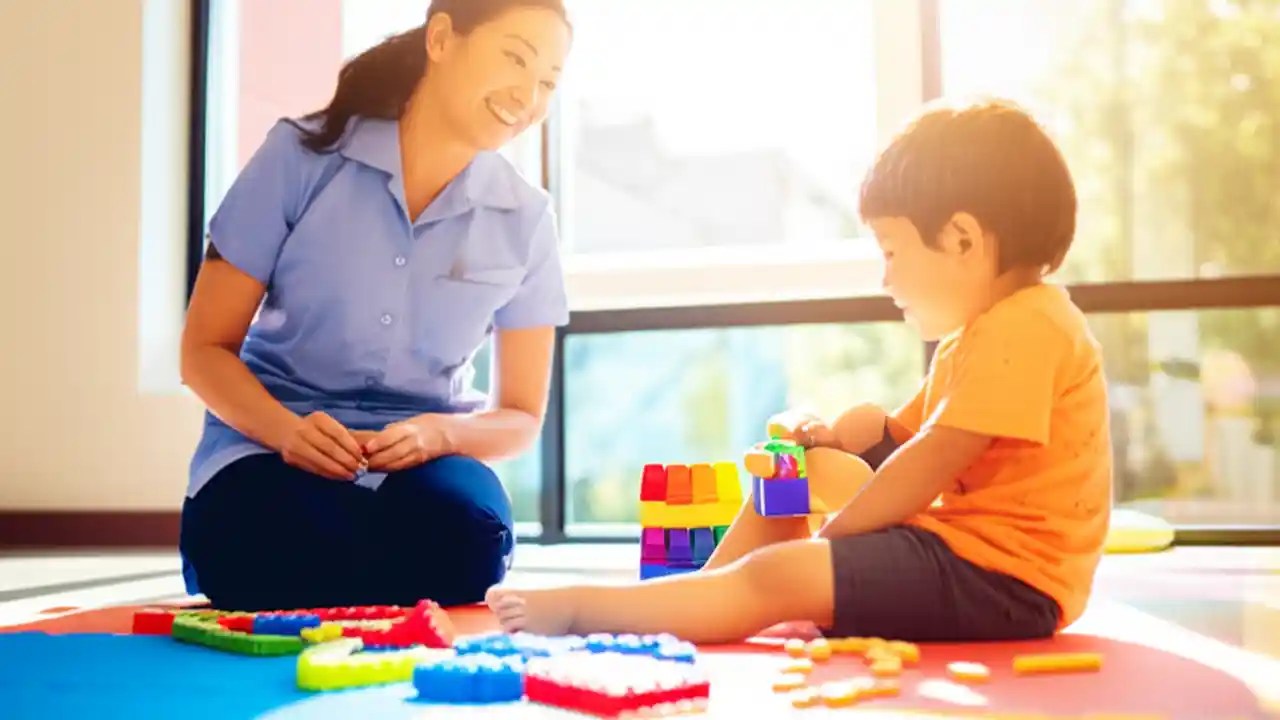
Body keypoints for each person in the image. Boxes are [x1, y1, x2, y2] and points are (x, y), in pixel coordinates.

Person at [487, 98, 1114, 644]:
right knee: (811, 462)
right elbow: (889, 443)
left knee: (785, 573)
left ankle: (587, 610)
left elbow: (926, 468)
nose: (886, 278)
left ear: (962, 239)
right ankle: (700, 600)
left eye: (893, 252)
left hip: (1007, 579)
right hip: (969, 552)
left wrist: (830, 545)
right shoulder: (981, 335)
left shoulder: (1028, 325)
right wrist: (820, 441)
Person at [179, 0, 573, 611]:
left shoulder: (526, 218)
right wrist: (287, 434)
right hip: (270, 446)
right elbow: (204, 350)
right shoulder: (301, 156)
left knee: (469, 543)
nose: (529, 94)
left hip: (425, 459)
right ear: (441, 39)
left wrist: (439, 433)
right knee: (262, 533)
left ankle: (335, 562)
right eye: (515, 58)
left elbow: (521, 415)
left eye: (548, 81)